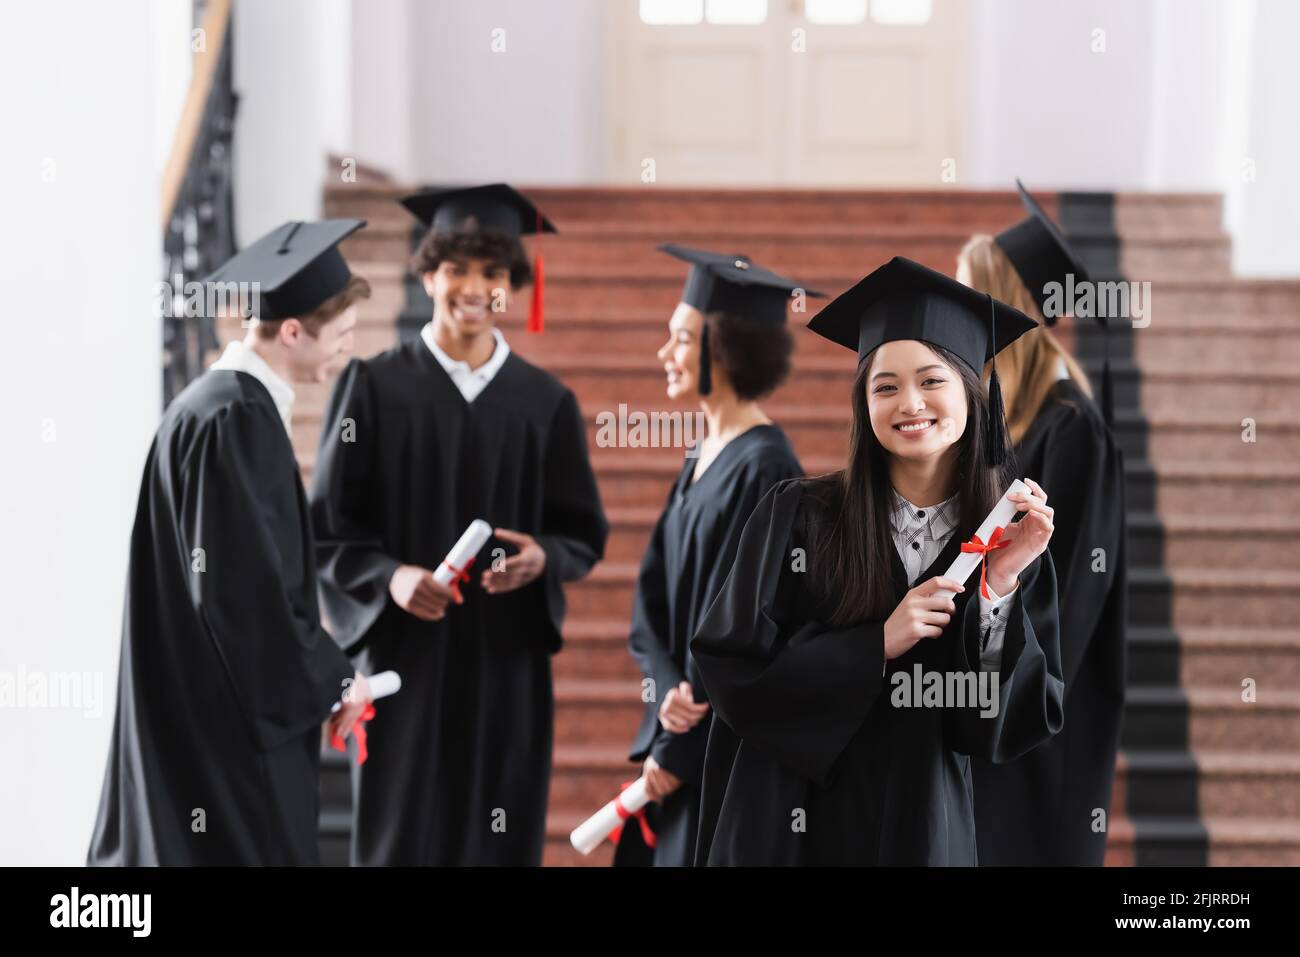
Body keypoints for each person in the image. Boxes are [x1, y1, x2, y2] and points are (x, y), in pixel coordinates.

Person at [691, 256, 1065, 865]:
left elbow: (1004, 726)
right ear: (864, 405)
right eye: (884, 386)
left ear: (972, 390)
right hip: (794, 830)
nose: (909, 403)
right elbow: (731, 668)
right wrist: (874, 646)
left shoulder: (1008, 540)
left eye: (931, 380)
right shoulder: (799, 515)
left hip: (924, 831)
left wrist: (997, 589)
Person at [310, 184, 609, 866]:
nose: (476, 287)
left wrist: (544, 559)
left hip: (507, 664)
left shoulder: (545, 402)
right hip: (405, 660)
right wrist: (390, 577)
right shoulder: (373, 388)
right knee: (399, 840)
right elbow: (328, 529)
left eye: (495, 272)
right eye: (459, 268)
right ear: (427, 273)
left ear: (513, 286)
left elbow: (580, 533)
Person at [89, 219, 374, 865]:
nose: (347, 351)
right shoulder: (234, 418)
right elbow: (245, 598)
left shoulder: (210, 406)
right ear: (294, 331)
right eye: (343, 334)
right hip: (225, 746)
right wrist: (334, 678)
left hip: (198, 721)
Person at [612, 245, 812, 867]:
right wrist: (666, 685)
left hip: (720, 755)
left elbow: (744, 624)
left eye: (681, 339)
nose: (664, 354)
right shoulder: (701, 455)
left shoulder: (767, 467)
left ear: (724, 348)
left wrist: (679, 748)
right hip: (682, 736)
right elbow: (653, 597)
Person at [959, 180, 1127, 865]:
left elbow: (1069, 606)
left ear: (1008, 309)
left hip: (1039, 740)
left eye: (970, 294)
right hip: (994, 723)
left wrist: (997, 687)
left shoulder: (1073, 432)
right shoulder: (1010, 422)